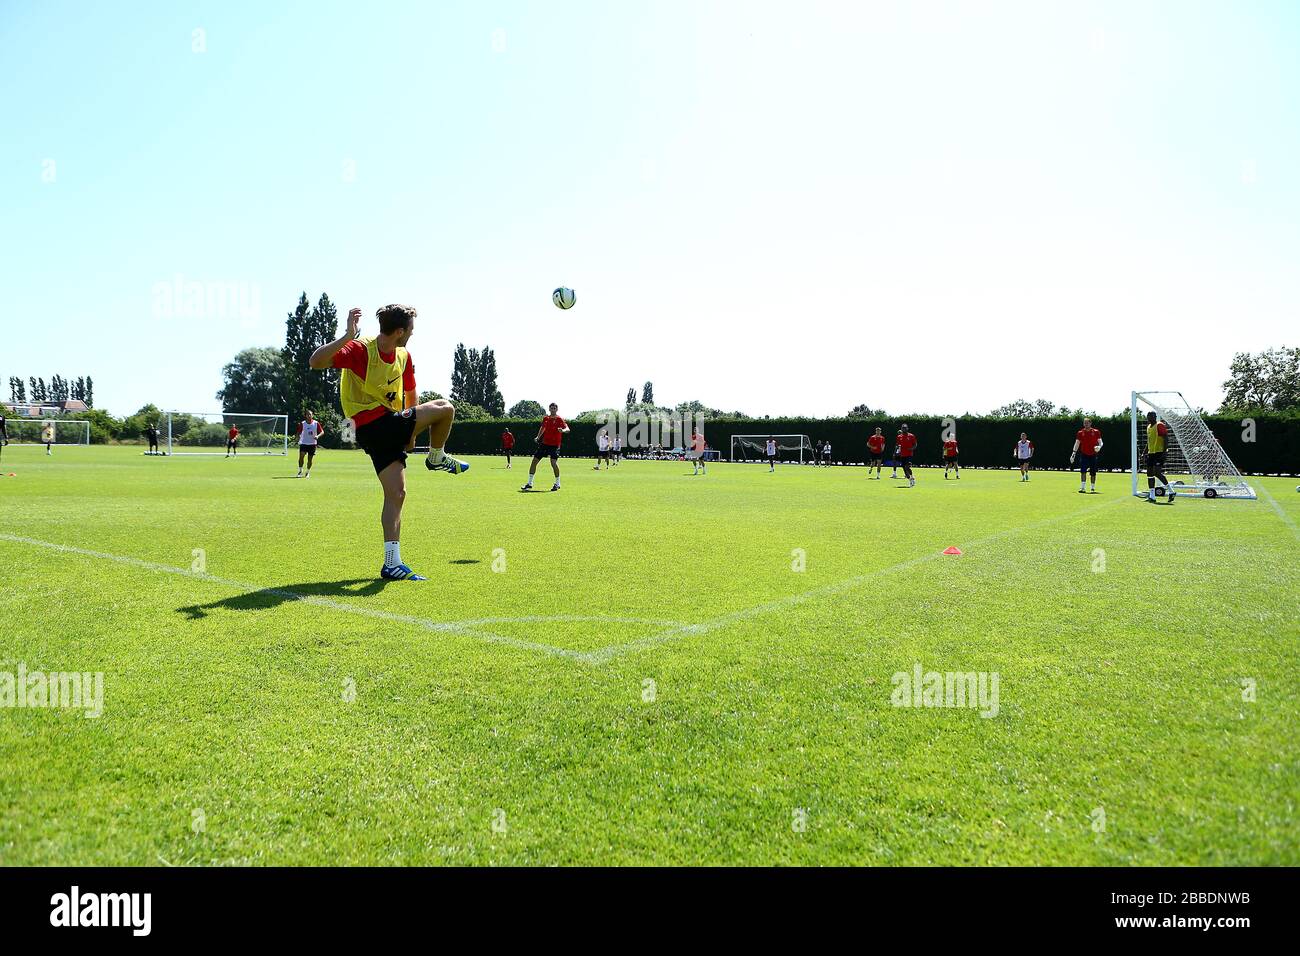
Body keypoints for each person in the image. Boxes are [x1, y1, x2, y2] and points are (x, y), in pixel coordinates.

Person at [310, 304, 468, 582]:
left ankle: (391, 564)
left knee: (397, 494)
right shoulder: (361, 349)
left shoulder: (403, 355)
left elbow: (410, 392)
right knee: (445, 407)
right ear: (399, 331)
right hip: (370, 423)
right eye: (410, 330)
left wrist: (411, 434)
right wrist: (348, 336)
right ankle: (436, 457)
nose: (412, 335)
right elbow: (316, 362)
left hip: (385, 425)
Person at [522, 403, 569, 492]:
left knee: (553, 463)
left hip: (555, 445)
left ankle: (557, 483)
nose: (553, 409)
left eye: (554, 408)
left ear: (557, 409)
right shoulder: (546, 418)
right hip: (545, 444)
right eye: (551, 408)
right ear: (549, 409)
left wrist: (562, 430)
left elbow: (567, 429)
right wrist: (538, 437)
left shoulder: (559, 419)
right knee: (534, 461)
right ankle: (529, 483)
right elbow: (542, 428)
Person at [1143, 411, 1176, 503]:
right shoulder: (1149, 427)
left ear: (1155, 416)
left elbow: (1165, 438)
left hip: (1159, 452)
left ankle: (1171, 491)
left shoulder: (1159, 425)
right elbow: (1149, 441)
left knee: (1157, 472)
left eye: (1152, 416)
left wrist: (1165, 451)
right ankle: (1152, 496)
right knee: (1149, 474)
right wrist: (1144, 453)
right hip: (1151, 453)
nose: (1150, 417)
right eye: (1148, 416)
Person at [1070, 417, 1104, 494]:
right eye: (1084, 423)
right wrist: (1073, 453)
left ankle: (1092, 488)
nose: (1086, 424)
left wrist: (1099, 447)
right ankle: (1082, 487)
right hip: (1084, 454)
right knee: (1083, 471)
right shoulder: (1080, 433)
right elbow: (1077, 443)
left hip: (1093, 454)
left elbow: (1101, 442)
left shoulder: (1096, 432)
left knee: (1093, 472)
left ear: (1090, 423)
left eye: (1087, 423)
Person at [296, 411, 324, 478]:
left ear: (312, 415)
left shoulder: (316, 423)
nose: (309, 416)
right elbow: (298, 432)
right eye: (307, 415)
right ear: (305, 416)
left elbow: (322, 432)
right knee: (301, 456)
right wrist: (297, 438)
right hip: (304, 443)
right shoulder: (303, 424)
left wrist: (317, 436)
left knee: (310, 459)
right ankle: (300, 471)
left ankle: (307, 472)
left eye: (310, 414)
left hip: (312, 444)